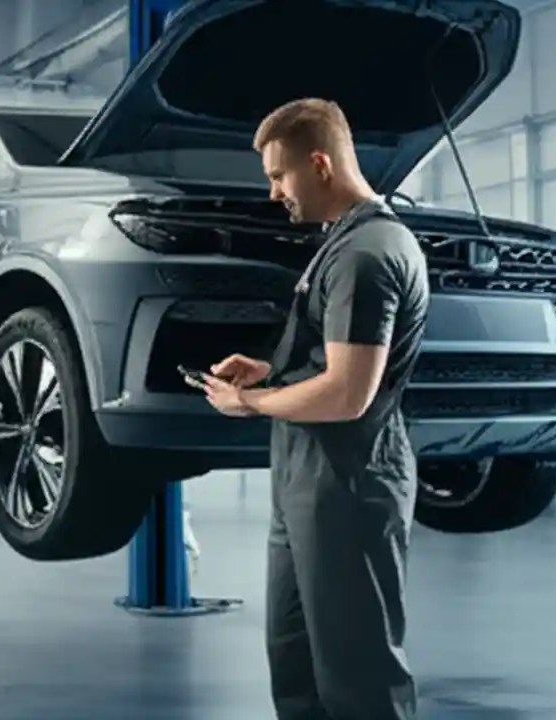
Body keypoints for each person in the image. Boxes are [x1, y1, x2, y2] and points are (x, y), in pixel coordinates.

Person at [193, 98, 429, 719]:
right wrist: (273, 371)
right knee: (298, 671)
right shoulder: (342, 244)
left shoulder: (367, 254)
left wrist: (252, 401)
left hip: (347, 484)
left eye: (279, 175)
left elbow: (350, 393)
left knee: (359, 678)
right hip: (307, 480)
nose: (274, 193)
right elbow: (334, 363)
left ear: (319, 164)